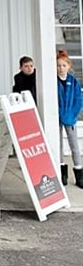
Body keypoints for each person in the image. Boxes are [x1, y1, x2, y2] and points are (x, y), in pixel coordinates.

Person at [57, 50, 83, 188]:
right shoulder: (53, 82)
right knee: (58, 146)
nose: (61, 68)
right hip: (56, 118)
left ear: (68, 66)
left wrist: (71, 115)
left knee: (74, 146)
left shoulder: (73, 82)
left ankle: (79, 173)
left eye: (63, 65)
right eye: (58, 65)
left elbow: (79, 100)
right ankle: (62, 173)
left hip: (70, 118)